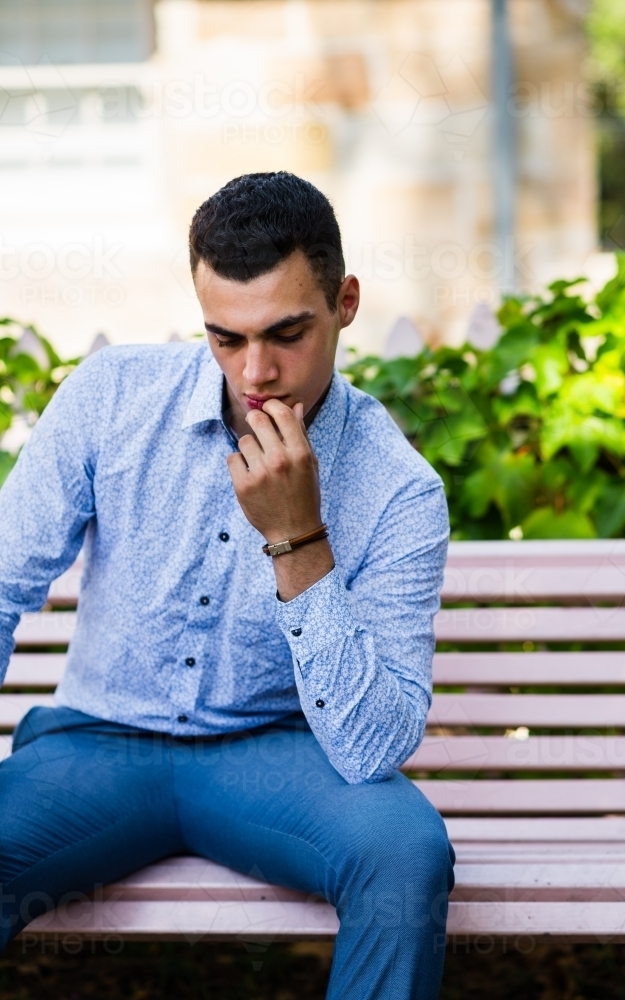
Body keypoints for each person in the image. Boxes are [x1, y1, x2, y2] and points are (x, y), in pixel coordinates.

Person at [0, 171, 454, 998]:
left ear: (343, 301)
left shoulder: (400, 488)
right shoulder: (110, 398)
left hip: (273, 756)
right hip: (100, 742)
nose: (256, 373)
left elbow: (372, 748)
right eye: (225, 337)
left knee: (405, 853)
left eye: (286, 333)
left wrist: (297, 538)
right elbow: (2, 580)